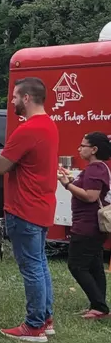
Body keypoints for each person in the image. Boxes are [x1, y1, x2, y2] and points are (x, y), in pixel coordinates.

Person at [0, 77, 59, 342]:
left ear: (27, 98)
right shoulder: (50, 125)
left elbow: (0, 166)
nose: (12, 102)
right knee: (40, 263)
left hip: (24, 207)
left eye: (15, 97)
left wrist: (2, 159)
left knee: (31, 267)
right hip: (43, 205)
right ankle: (45, 318)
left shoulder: (28, 130)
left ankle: (34, 326)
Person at [59, 131, 111, 320]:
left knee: (76, 265)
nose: (79, 149)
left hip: (87, 226)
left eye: (83, 145)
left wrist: (66, 185)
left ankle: (99, 305)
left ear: (94, 149)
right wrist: (72, 181)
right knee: (95, 265)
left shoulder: (95, 169)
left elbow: (90, 196)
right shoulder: (98, 168)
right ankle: (99, 307)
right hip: (93, 226)